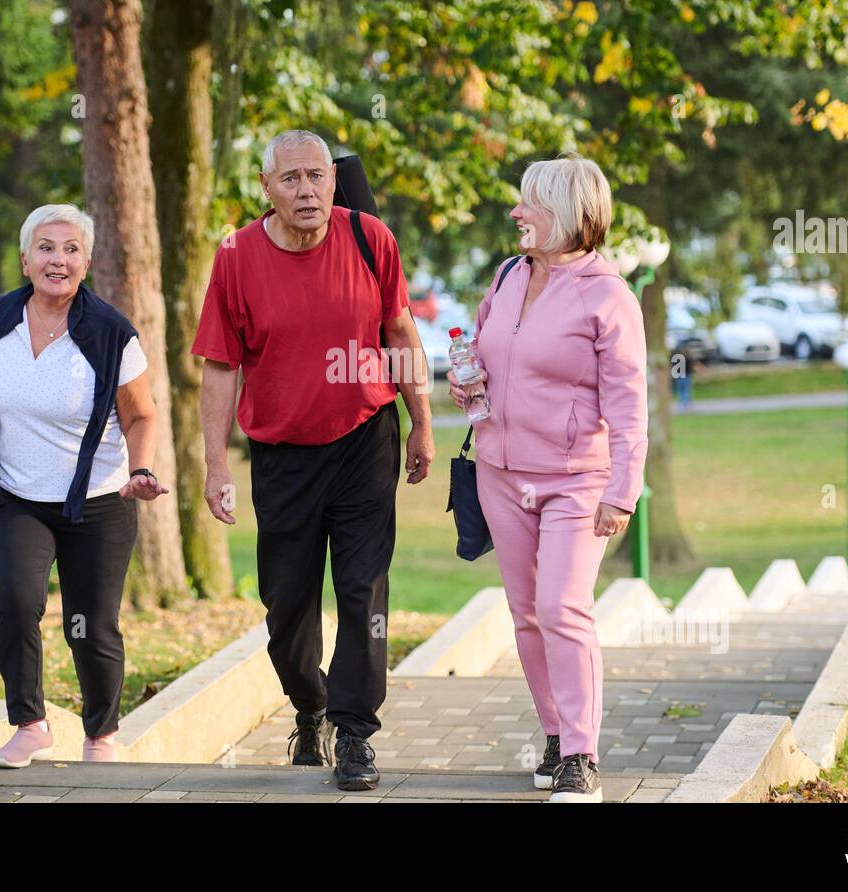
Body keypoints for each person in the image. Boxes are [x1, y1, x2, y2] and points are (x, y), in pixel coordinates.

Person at [191, 129, 434, 791]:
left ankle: (355, 733)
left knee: (362, 590)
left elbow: (400, 331)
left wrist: (421, 423)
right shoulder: (237, 254)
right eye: (291, 179)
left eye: (317, 176)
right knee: (287, 605)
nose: (307, 190)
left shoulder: (369, 238)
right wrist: (215, 464)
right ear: (267, 189)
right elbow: (219, 364)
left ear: (334, 180)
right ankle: (312, 706)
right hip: (281, 455)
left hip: (364, 441)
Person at [449, 156, 649, 802]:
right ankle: (556, 736)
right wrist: (465, 380)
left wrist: (622, 491)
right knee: (526, 615)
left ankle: (583, 754)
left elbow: (628, 404)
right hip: (500, 473)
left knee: (563, 608)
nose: (516, 213)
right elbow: (479, 351)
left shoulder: (607, 296)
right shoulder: (509, 275)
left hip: (575, 481)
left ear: (565, 214)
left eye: (528, 203)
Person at [0, 203, 168, 768]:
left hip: (96, 500)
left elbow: (142, 415)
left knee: (91, 625)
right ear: (25, 260)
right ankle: (30, 723)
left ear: (87, 262)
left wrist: (140, 471)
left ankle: (100, 736)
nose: (58, 260)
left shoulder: (111, 333)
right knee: (15, 602)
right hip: (14, 497)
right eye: (46, 248)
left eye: (71, 250)